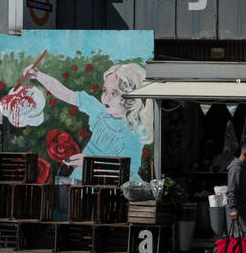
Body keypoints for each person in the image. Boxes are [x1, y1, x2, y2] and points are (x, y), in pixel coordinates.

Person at [20, 60, 153, 182]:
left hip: (104, 190)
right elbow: (65, 93)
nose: (106, 98)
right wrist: (38, 75)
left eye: (114, 93)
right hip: (78, 182)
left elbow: (128, 172)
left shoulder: (133, 133)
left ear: (131, 98)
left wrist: (90, 162)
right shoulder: (100, 113)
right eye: (105, 90)